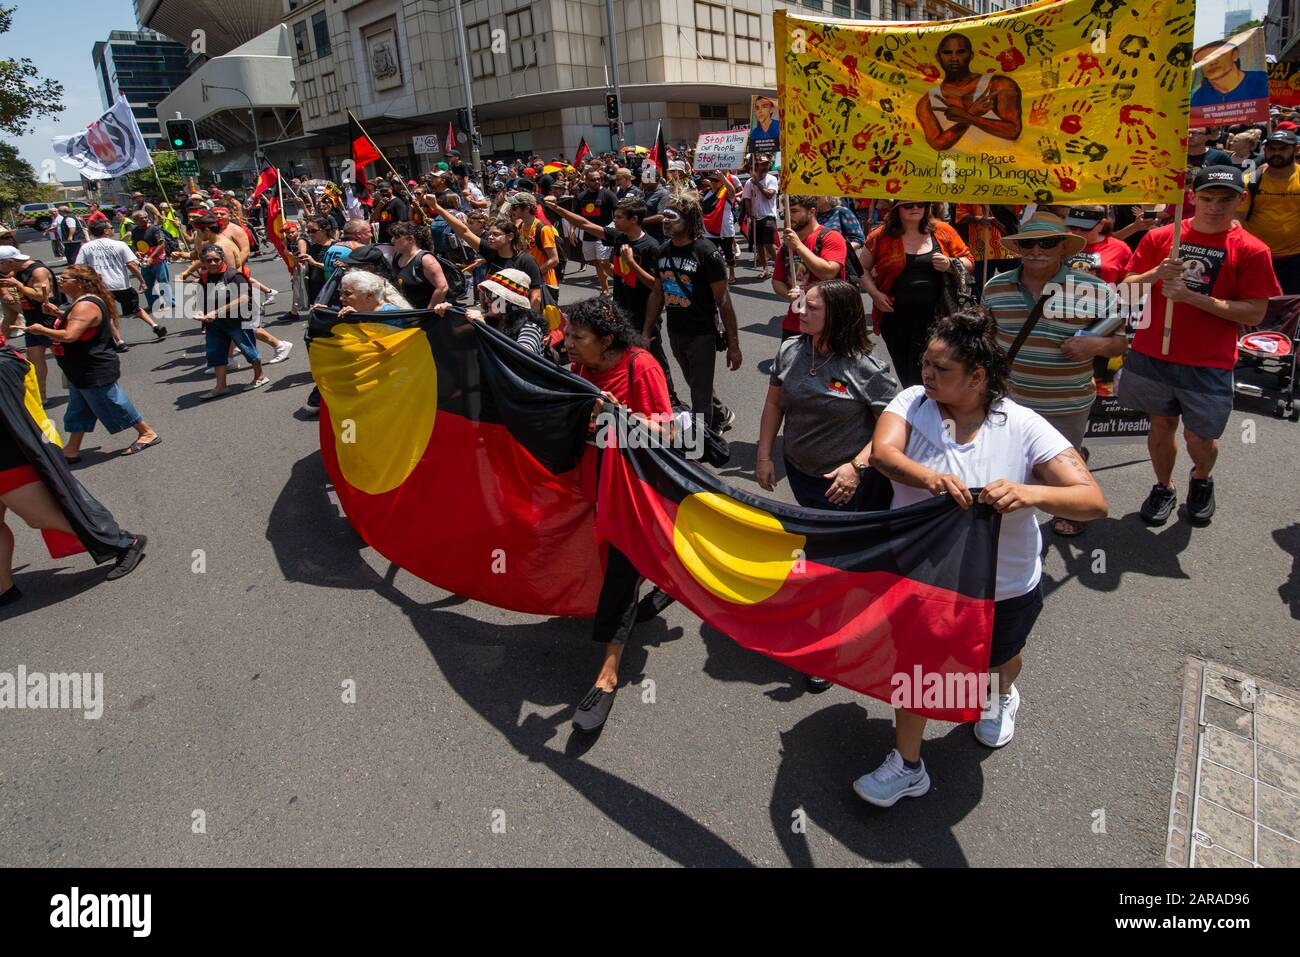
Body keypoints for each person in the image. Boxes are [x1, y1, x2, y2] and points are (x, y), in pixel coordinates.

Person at [855, 308, 1107, 806]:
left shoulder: (1025, 426)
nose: (927, 375)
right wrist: (930, 480)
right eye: (926, 364)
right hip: (923, 580)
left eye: (941, 369)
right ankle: (908, 764)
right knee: (919, 668)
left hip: (1004, 586)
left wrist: (1030, 494)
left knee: (998, 661)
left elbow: (1093, 501)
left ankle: (998, 696)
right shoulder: (911, 401)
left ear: (978, 376)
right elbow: (883, 455)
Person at [1118, 165, 1280, 527]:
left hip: (1209, 361)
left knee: (1200, 437)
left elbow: (1255, 313)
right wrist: (1155, 275)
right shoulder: (1162, 237)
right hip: (1152, 353)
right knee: (1160, 425)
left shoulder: (1252, 250)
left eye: (1225, 199)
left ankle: (1201, 480)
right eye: (1206, 198)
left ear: (1241, 199)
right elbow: (1127, 289)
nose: (1214, 207)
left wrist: (1193, 299)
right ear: (1192, 197)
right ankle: (1163, 486)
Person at [565, 294, 673, 732]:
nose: (568, 342)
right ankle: (666, 575)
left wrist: (621, 415)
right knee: (613, 561)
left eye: (578, 336)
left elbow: (666, 431)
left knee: (620, 576)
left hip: (631, 494)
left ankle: (608, 674)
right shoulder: (581, 367)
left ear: (606, 340)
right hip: (592, 485)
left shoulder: (639, 365)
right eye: (568, 334)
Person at [984, 213, 1125, 537]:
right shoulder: (996, 287)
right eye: (1028, 243)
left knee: (1061, 471)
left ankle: (1071, 510)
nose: (1036, 249)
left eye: (1047, 242)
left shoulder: (1092, 289)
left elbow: (1120, 342)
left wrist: (1095, 344)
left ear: (1063, 247)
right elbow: (986, 339)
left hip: (1066, 402)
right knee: (1014, 466)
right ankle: (1013, 526)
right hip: (1011, 401)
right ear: (1018, 248)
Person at [0, 346, 147, 606]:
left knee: (40, 517)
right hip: (12, 456)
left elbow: (16, 419)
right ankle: (4, 587)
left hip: (13, 458)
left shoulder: (4, 363)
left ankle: (124, 542)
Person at [22, 265, 160, 459]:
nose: (60, 281)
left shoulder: (86, 305)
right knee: (78, 409)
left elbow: (70, 335)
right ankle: (72, 448)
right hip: (79, 369)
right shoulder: (80, 303)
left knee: (112, 401)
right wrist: (56, 314)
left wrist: (41, 330)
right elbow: (77, 323)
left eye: (65, 278)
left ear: (79, 283)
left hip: (92, 367)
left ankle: (147, 432)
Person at [645, 193, 742, 434]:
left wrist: (734, 345)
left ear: (688, 220)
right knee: (696, 383)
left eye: (672, 216)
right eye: (664, 216)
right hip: (675, 331)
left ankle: (702, 443)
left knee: (698, 393)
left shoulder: (707, 252)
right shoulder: (662, 251)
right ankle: (722, 414)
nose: (665, 221)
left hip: (702, 333)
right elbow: (657, 293)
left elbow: (724, 301)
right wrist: (646, 331)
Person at [859, 200, 972, 388]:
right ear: (896, 209)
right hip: (894, 318)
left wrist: (950, 263)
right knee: (906, 374)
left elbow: (969, 260)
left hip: (936, 317)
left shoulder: (942, 230)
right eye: (908, 205)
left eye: (921, 204)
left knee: (924, 374)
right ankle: (917, 411)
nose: (915, 209)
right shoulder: (881, 235)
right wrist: (875, 294)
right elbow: (861, 268)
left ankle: (928, 412)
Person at [917, 32, 1023, 153]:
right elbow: (938, 144)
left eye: (961, 52)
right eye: (947, 53)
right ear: (938, 57)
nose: (954, 58)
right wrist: (971, 114)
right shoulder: (928, 101)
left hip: (1000, 167)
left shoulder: (998, 85)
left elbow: (1012, 131)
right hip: (952, 169)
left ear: (971, 55)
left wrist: (967, 116)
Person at [432, 200, 544, 313]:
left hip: (518, 315)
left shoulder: (525, 260)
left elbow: (536, 297)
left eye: (496, 234)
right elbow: (464, 231)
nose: (490, 237)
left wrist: (530, 322)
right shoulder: (491, 252)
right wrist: (437, 207)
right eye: (489, 234)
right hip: (495, 312)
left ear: (510, 237)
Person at [190, 244, 270, 400]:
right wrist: (201, 312)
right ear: (203, 262)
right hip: (214, 323)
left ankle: (260, 376)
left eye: (216, 260)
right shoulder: (204, 278)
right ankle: (221, 386)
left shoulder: (234, 275)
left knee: (248, 349)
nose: (213, 263)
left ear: (222, 259)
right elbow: (201, 300)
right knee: (216, 353)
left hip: (239, 319)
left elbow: (244, 298)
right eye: (208, 260)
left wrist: (217, 312)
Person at [772, 195, 850, 347]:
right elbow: (777, 281)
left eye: (794, 211)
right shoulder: (786, 247)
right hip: (795, 323)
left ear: (811, 212)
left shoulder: (830, 237)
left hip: (828, 323)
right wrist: (791, 296)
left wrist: (799, 247)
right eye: (786, 211)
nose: (788, 216)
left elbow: (828, 272)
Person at [75, 220, 165, 350]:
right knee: (136, 308)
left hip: (101, 286)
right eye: (111, 228)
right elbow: (130, 264)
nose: (113, 230)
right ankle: (155, 326)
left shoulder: (86, 247)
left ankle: (120, 341)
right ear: (105, 231)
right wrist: (142, 280)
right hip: (121, 284)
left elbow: (78, 266)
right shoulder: (119, 244)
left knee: (109, 314)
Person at [1240, 130, 1300, 295]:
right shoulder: (1250, 180)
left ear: (1296, 150)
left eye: (1282, 149)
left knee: (1292, 307)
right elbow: (1238, 220)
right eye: (1272, 149)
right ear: (1264, 150)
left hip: (1295, 258)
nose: (1276, 153)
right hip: (1258, 256)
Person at [435, 269, 548, 356]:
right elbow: (453, 335)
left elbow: (522, 357)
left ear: (510, 302)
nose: (487, 300)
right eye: (486, 294)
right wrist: (448, 314)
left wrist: (484, 329)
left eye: (493, 296)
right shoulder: (491, 321)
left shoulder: (530, 328)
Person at [0, 247, 56, 402]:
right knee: (34, 360)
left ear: (9, 262)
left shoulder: (38, 271)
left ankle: (78, 387)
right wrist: (5, 292)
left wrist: (19, 286)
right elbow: (4, 284)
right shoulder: (14, 272)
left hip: (48, 319)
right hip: (32, 320)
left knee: (64, 358)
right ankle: (42, 397)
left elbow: (40, 297)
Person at [505, 193, 560, 301]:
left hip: (545, 283)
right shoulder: (520, 228)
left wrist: (534, 273)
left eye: (515, 207)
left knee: (545, 317)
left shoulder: (543, 229)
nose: (512, 210)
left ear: (526, 208)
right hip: (527, 283)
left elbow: (554, 259)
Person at [574, 168, 618, 294]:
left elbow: (618, 211)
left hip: (604, 235)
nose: (597, 181)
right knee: (597, 263)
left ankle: (622, 281)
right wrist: (572, 230)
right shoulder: (581, 196)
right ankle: (605, 290)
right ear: (586, 181)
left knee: (603, 262)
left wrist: (614, 227)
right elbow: (576, 217)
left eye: (599, 179)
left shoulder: (608, 194)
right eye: (593, 180)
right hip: (588, 236)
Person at [389, 222, 449, 309]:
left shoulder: (426, 260)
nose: (392, 240)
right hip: (407, 314)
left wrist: (429, 311)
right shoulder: (397, 257)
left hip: (425, 316)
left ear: (410, 239)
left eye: (396, 237)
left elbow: (442, 287)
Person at [741, 155, 779, 278]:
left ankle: (781, 265)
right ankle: (766, 269)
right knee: (759, 245)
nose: (765, 166)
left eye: (766, 164)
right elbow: (746, 199)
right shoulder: (748, 182)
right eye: (762, 164)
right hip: (756, 218)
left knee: (768, 244)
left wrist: (757, 183)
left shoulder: (772, 179)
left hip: (768, 216)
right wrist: (749, 213)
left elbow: (769, 194)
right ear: (756, 166)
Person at [128, 210, 171, 316]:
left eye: (146, 217)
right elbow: (134, 243)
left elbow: (161, 244)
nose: (144, 219)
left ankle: (168, 303)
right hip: (144, 260)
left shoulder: (154, 228)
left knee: (162, 282)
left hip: (158, 259)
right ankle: (152, 304)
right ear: (135, 220)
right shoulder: (135, 231)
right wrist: (136, 251)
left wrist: (152, 257)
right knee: (147, 283)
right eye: (141, 218)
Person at [701, 171, 739, 284]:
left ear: (721, 182)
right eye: (711, 180)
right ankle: (715, 275)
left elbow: (733, 191)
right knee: (710, 254)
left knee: (728, 253)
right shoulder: (706, 193)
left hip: (724, 228)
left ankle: (731, 273)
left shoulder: (726, 193)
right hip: (708, 229)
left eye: (715, 181)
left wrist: (722, 177)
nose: (713, 182)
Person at [336, 270, 412, 317]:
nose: (341, 298)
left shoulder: (389, 315)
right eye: (341, 293)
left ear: (369, 295)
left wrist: (359, 319)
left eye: (347, 294)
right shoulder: (372, 312)